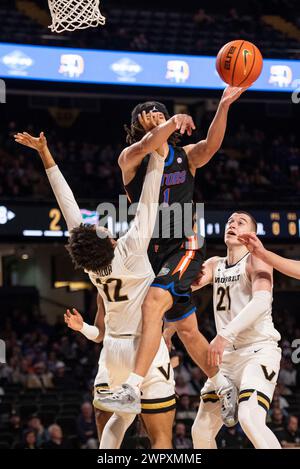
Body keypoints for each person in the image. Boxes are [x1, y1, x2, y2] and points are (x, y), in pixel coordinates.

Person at [14, 130, 176, 449]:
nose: (99, 225)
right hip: (144, 347)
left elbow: (67, 205)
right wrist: (159, 154)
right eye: (101, 228)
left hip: (111, 352)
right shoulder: (130, 251)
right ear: (108, 240)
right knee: (161, 436)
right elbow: (149, 199)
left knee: (117, 420)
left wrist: (45, 154)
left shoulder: (91, 264)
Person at [97, 87, 246, 423]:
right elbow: (148, 146)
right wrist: (166, 124)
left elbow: (212, 145)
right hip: (151, 251)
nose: (156, 117)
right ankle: (223, 384)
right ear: (137, 126)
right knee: (187, 330)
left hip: (185, 244)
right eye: (148, 116)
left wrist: (222, 105)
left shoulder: (186, 156)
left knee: (153, 304)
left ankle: (132, 388)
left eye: (161, 114)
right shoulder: (130, 158)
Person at [191, 211, 282, 449]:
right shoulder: (214, 264)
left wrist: (224, 335)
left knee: (249, 418)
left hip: (258, 350)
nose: (232, 224)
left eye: (241, 222)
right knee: (200, 430)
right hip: (227, 358)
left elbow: (262, 302)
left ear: (251, 233)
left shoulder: (257, 260)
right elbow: (187, 283)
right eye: (230, 221)